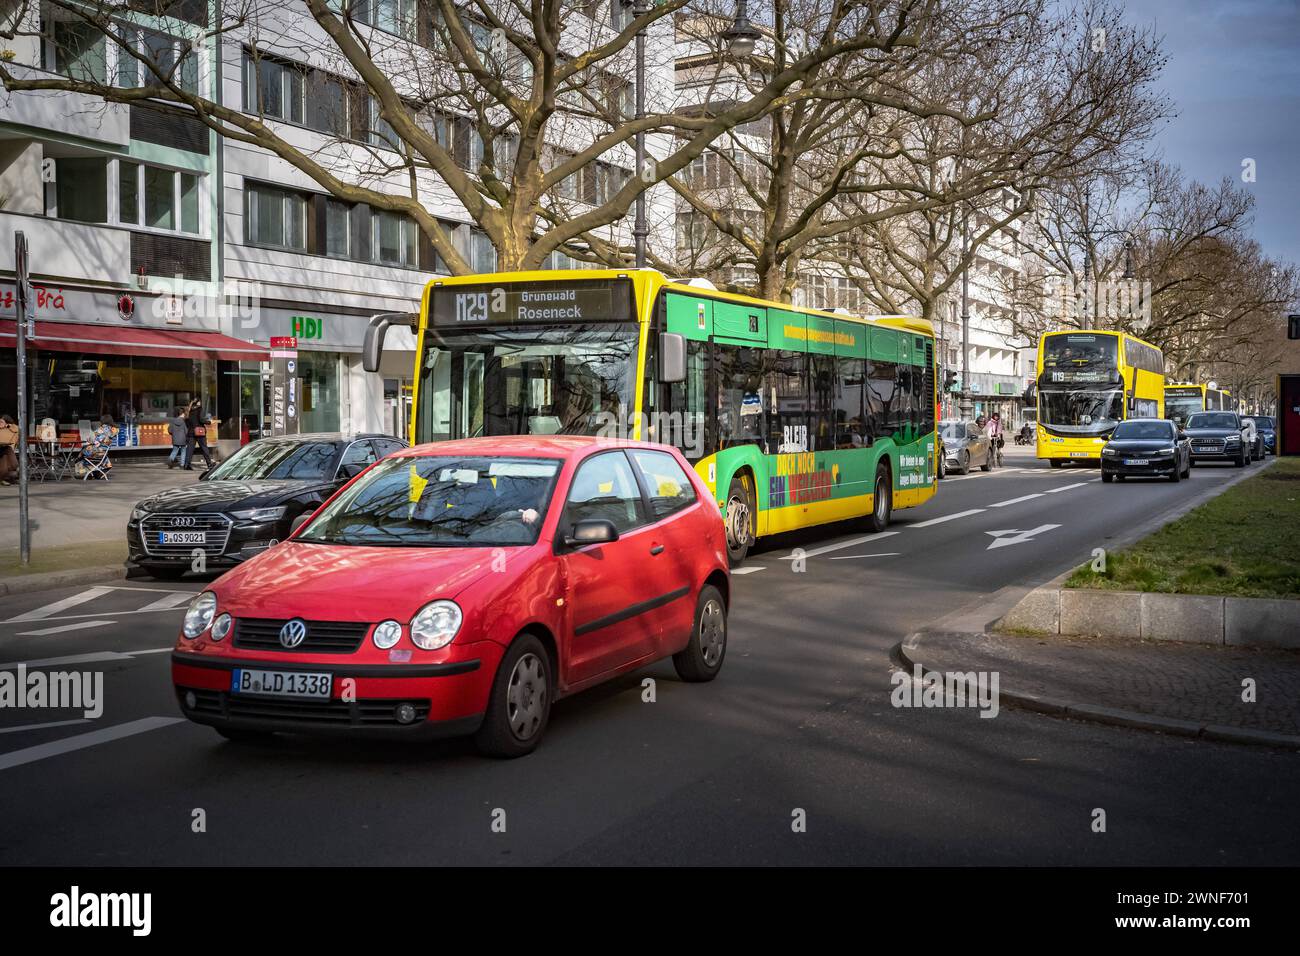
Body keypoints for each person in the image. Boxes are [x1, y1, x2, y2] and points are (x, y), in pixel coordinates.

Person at [80, 414, 117, 479]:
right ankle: (97, 471)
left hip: (98, 451)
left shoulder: (101, 429)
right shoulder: (113, 429)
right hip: (104, 451)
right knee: (86, 450)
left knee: (83, 452)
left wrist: (89, 442)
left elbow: (95, 441)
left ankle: (84, 471)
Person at [184, 399, 214, 471]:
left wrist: (192, 428)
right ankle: (209, 464)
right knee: (204, 448)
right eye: (200, 401)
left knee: (190, 449)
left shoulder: (189, 410)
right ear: (198, 403)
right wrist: (209, 422)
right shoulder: (200, 409)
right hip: (200, 432)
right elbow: (201, 419)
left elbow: (186, 422)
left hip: (191, 432)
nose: (201, 402)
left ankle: (187, 465)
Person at [0, 414, 19, 485]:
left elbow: (18, 429)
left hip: (5, 451)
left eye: (1, 422)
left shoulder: (12, 429)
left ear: (7, 422)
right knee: (7, 448)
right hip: (5, 450)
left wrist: (8, 426)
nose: (0, 423)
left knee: (5, 453)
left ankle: (2, 478)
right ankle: (15, 466)